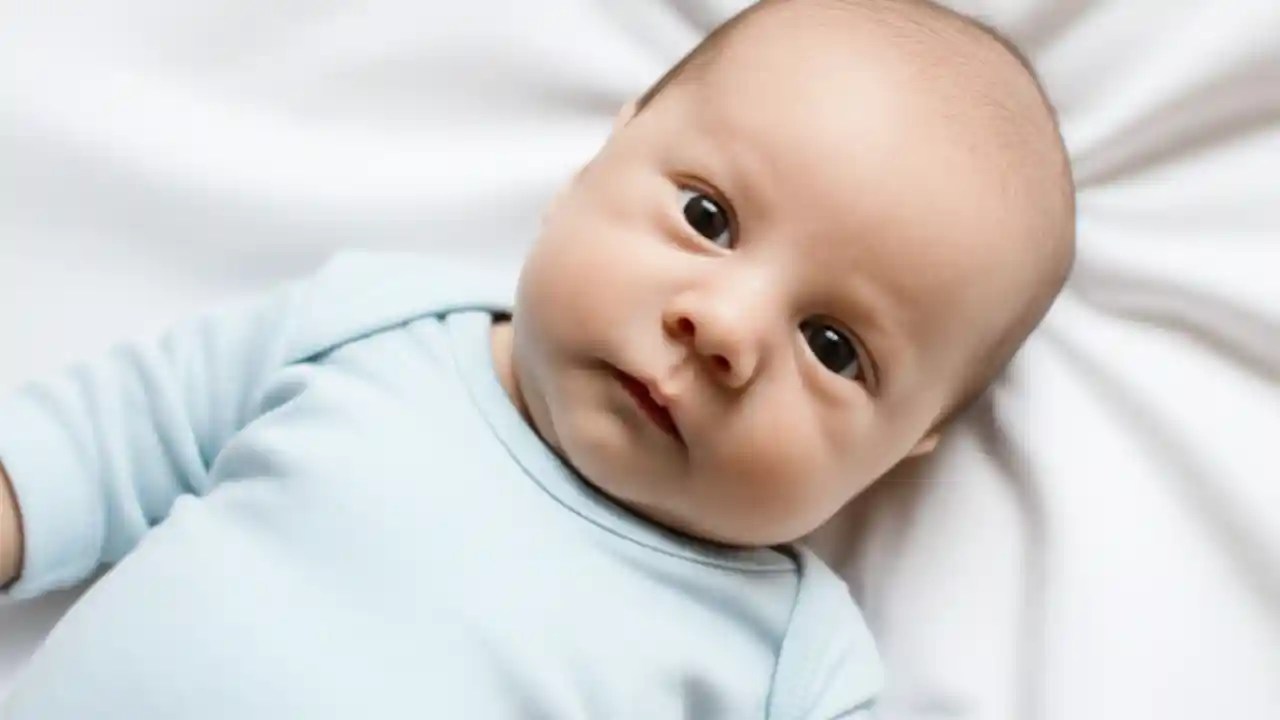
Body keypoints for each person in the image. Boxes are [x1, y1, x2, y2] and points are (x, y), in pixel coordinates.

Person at [0, 0, 1074, 717]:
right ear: (598, 160)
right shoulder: (381, 323)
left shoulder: (792, 663)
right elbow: (107, 438)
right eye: (706, 216)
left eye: (832, 347)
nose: (726, 328)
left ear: (908, 444)